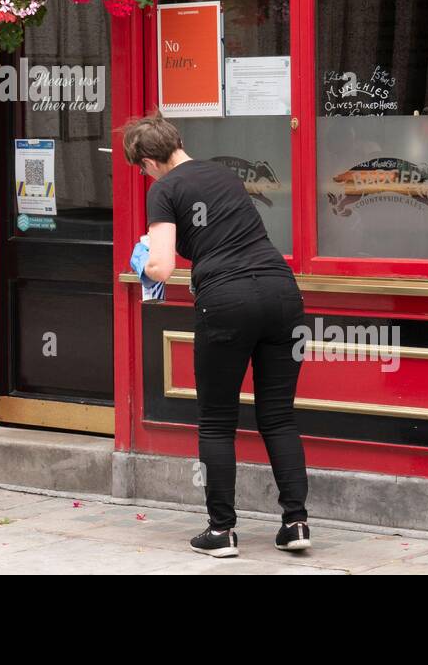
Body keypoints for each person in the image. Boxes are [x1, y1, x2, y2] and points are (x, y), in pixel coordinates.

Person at [123, 111, 310, 558]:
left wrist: (142, 259)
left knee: (217, 420)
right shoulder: (222, 174)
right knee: (279, 415)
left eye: (142, 167)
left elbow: (163, 266)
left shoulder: (163, 189)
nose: (145, 173)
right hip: (282, 293)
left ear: (149, 161)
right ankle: (296, 523)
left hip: (227, 302)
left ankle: (222, 531)